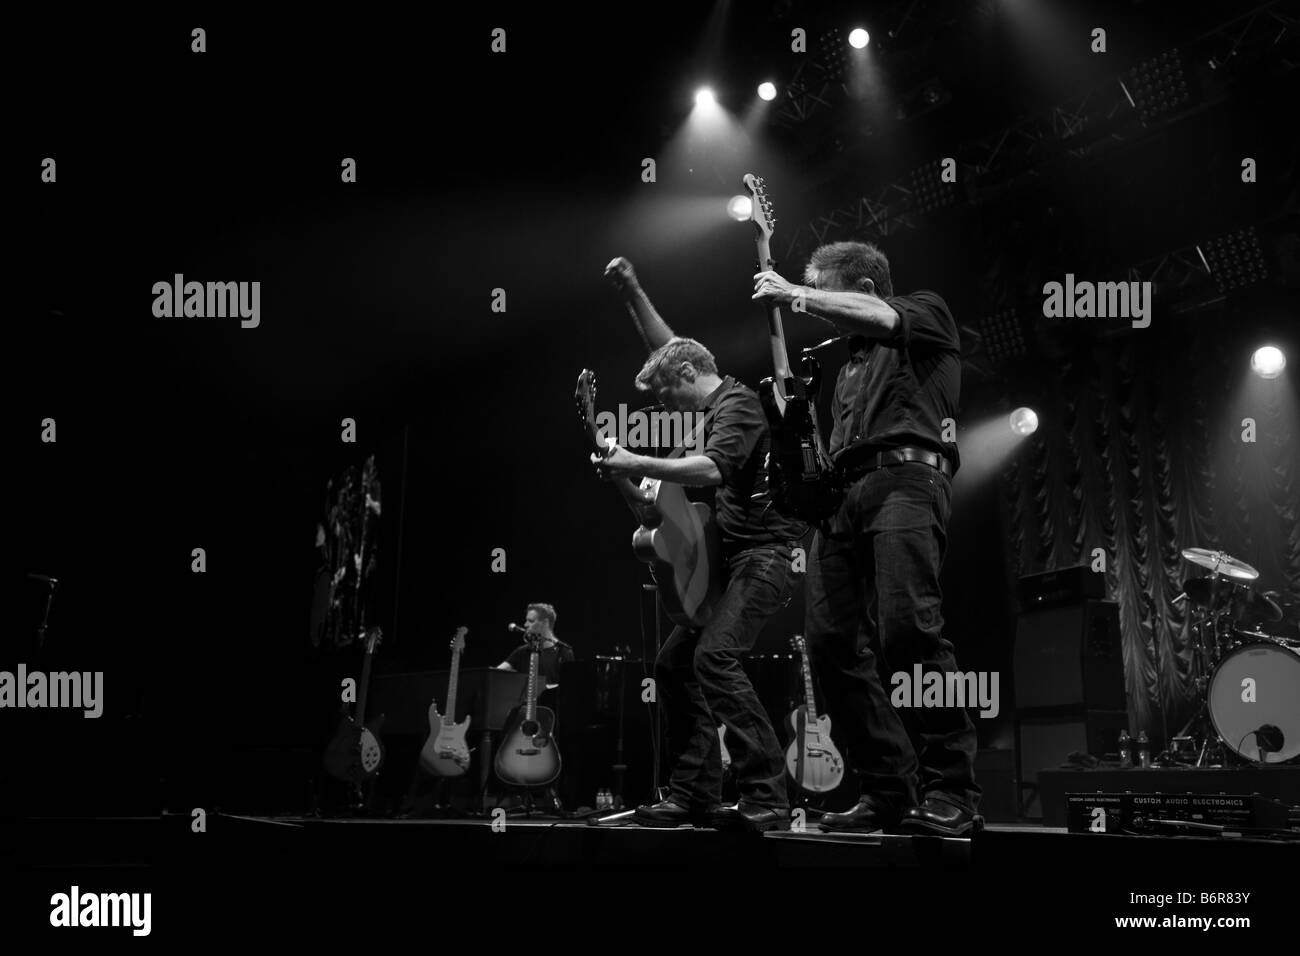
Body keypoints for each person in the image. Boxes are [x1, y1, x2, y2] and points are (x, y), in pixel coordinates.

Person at [751, 240, 982, 836]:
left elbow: (883, 319)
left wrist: (793, 292)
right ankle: (886, 790)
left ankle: (953, 789)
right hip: (843, 497)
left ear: (864, 288)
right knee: (828, 643)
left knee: (909, 628)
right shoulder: (848, 366)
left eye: (827, 295)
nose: (818, 312)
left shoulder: (923, 311)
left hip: (907, 479)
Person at [593, 256, 806, 832]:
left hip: (767, 555)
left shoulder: (736, 404)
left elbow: (713, 470)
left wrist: (635, 457)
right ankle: (694, 795)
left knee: (715, 656)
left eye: (665, 396)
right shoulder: (704, 406)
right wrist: (634, 292)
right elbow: (669, 350)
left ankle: (768, 798)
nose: (663, 408)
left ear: (689, 375)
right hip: (732, 560)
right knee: (674, 664)